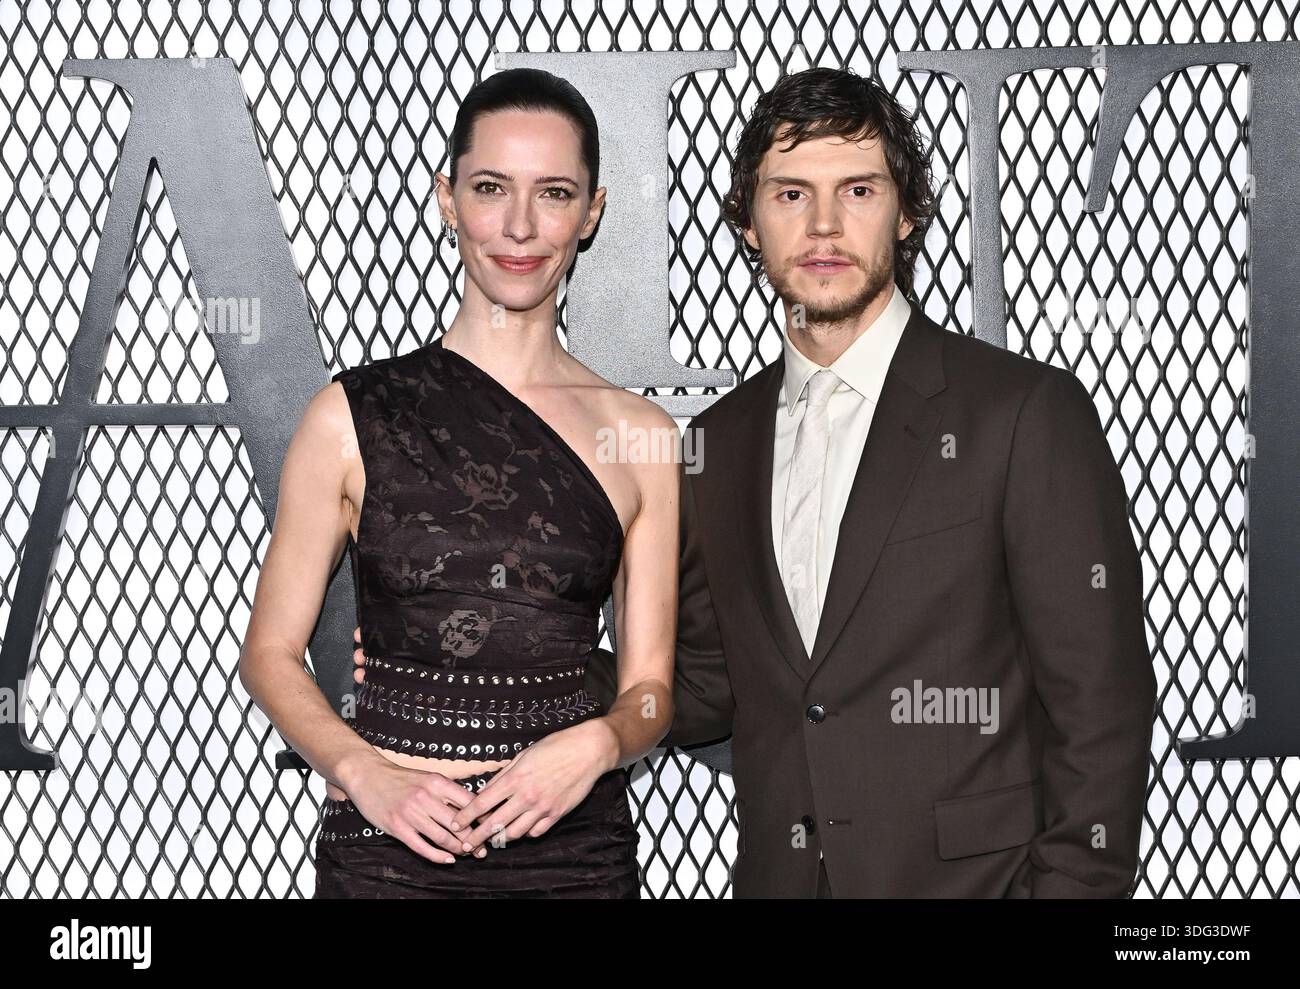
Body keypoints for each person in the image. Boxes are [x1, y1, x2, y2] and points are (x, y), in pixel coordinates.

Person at [353, 66, 1156, 899]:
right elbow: (703, 682)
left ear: (906, 210)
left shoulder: (1021, 413)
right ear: (747, 222)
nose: (823, 225)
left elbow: (1102, 706)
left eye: (858, 189)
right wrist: (481, 665)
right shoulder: (718, 444)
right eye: (789, 194)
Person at [239, 67, 679, 898]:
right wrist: (360, 770)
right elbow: (268, 654)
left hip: (573, 853)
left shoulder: (643, 437)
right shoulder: (349, 416)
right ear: (448, 199)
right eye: (490, 188)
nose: (520, 225)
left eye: (553, 192)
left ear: (592, 212)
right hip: (389, 849)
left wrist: (600, 742)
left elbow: (651, 690)